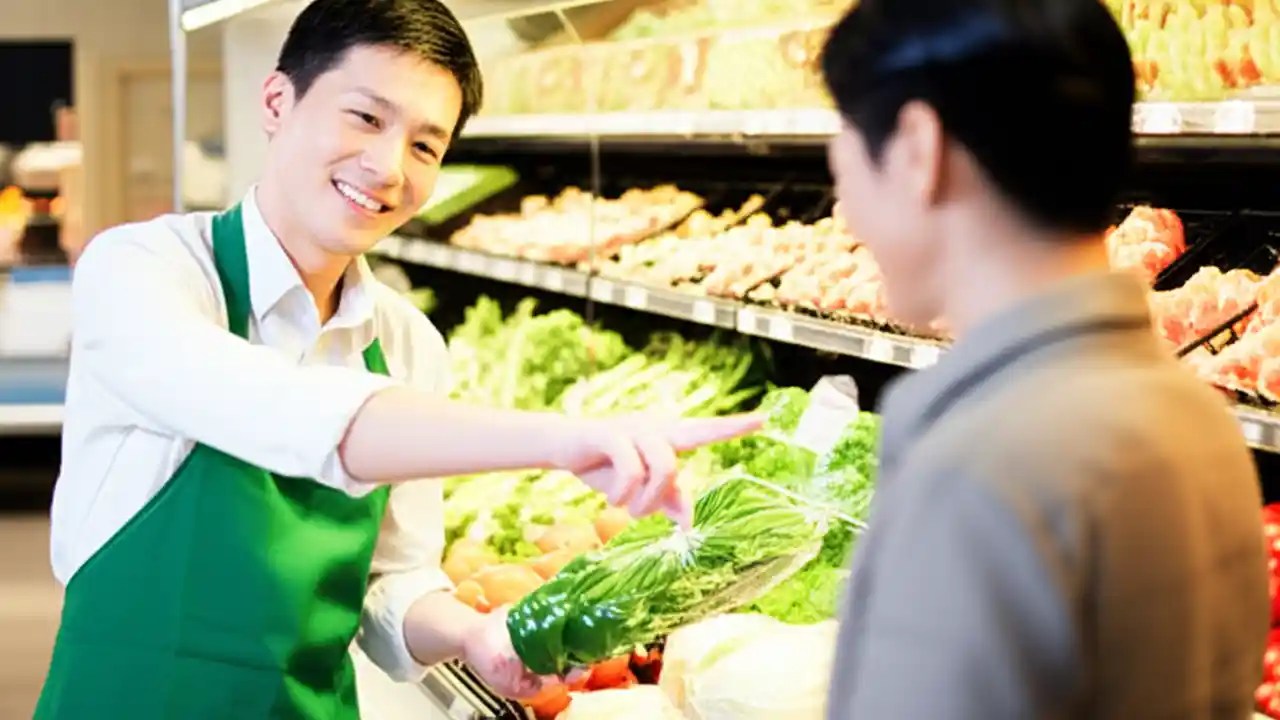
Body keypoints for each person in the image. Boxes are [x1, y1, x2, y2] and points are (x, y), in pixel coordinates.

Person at [35, 1, 758, 717]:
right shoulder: (145, 270)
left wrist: (474, 634)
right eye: (366, 118)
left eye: (425, 146)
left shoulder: (409, 345)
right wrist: (557, 438)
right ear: (278, 102)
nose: (387, 166)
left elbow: (390, 581)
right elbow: (270, 405)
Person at [819, 1, 1267, 718]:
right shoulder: (1200, 419)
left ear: (916, 150)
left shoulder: (978, 470)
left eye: (842, 160)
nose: (845, 208)